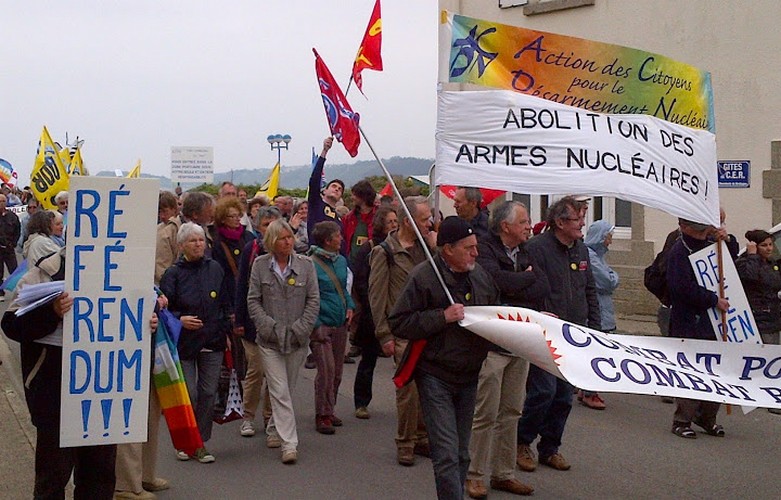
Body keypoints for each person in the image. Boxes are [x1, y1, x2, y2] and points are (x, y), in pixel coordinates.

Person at [1, 247, 158, 499]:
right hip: (55, 398)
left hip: (103, 396)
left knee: (99, 479)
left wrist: (147, 323)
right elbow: (11, 325)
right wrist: (51, 312)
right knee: (53, 479)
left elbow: (138, 318)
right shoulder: (46, 272)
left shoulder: (124, 271)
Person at [388, 216, 499, 500]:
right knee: (446, 453)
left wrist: (533, 321)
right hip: (436, 375)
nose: (476, 253)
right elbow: (399, 322)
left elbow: (497, 314)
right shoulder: (425, 276)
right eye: (468, 248)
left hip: (470, 375)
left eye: (476, 246)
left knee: (462, 453)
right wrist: (441, 317)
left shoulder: (480, 276)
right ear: (448, 249)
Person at [466, 201, 546, 498]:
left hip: (518, 343)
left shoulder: (526, 251)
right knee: (485, 413)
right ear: (505, 226)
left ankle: (503, 473)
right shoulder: (485, 249)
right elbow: (494, 283)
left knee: (512, 411)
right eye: (523, 221)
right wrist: (524, 279)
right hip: (492, 345)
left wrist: (518, 285)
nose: (529, 226)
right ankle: (474, 474)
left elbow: (542, 287)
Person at [516, 196, 601, 473]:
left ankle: (550, 447)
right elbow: (527, 291)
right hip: (545, 334)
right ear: (560, 222)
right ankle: (522, 441)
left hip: (574, 335)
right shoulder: (536, 249)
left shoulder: (581, 250)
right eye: (577, 219)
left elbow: (589, 290)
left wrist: (595, 328)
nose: (582, 224)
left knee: (564, 397)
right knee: (543, 392)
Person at [369, 196, 436, 466]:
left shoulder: (427, 249)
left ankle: (422, 436)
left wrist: (436, 248)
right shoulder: (385, 252)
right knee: (407, 390)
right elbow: (377, 296)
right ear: (408, 222)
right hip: (402, 332)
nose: (430, 223)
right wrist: (384, 334)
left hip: (428, 328)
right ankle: (405, 442)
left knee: (427, 388)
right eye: (424, 219)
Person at [247, 219, 320, 464]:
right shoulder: (260, 265)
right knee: (279, 390)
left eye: (290, 237)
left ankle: (273, 428)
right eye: (282, 238)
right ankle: (290, 444)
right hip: (269, 341)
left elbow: (313, 300)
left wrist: (301, 329)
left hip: (297, 339)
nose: (288, 242)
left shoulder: (306, 265)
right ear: (271, 242)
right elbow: (253, 300)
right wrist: (268, 327)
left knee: (286, 388)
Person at [160, 222, 230, 463]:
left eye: (201, 240)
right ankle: (185, 441)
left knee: (208, 392)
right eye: (192, 241)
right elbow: (163, 310)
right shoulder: (173, 274)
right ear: (181, 246)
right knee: (189, 393)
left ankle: (199, 442)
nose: (198, 244)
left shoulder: (215, 268)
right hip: (185, 343)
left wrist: (226, 331)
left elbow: (225, 302)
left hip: (212, 339)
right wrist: (180, 319)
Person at [667, 218, 731, 438]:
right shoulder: (679, 251)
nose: (703, 233)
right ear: (684, 227)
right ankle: (682, 420)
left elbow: (730, 265)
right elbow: (681, 288)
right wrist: (712, 300)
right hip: (689, 322)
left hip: (712, 322)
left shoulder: (711, 244)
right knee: (691, 370)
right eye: (699, 230)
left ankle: (707, 417)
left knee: (716, 369)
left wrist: (727, 240)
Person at [235, 206, 281, 439]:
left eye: (274, 224)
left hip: (279, 323)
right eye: (266, 225)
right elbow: (241, 285)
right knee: (257, 369)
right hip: (253, 322)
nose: (270, 229)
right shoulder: (250, 249)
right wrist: (239, 319)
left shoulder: (287, 252)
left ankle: (270, 417)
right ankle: (248, 416)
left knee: (276, 373)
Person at [308, 221, 355, 434]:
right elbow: (308, 295)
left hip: (340, 322)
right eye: (338, 236)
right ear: (327, 240)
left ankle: (330, 407)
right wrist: (315, 322)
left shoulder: (341, 261)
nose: (341, 239)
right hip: (321, 323)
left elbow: (343, 289)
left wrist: (350, 306)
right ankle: (322, 413)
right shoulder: (310, 264)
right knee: (326, 370)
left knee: (336, 371)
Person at [352, 206, 398, 420]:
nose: (394, 225)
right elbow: (361, 280)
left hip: (396, 311)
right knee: (368, 360)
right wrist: (373, 304)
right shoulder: (369, 248)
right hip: (373, 313)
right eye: (390, 222)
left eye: (395, 221)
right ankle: (361, 402)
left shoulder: (400, 246)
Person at [211, 197, 254, 380]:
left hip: (250, 292)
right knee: (235, 348)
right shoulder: (218, 242)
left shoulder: (248, 237)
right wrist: (228, 307)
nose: (237, 219)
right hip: (230, 293)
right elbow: (219, 275)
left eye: (238, 215)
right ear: (222, 219)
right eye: (232, 216)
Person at [579, 219, 620, 410]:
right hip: (597, 310)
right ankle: (590, 392)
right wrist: (613, 276)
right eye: (608, 237)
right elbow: (607, 281)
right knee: (595, 353)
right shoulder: (591, 256)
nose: (610, 241)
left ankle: (585, 389)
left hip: (603, 309)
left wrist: (611, 275)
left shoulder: (598, 256)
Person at [155, 191, 215, 284]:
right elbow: (162, 272)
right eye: (209, 211)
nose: (212, 215)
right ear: (195, 214)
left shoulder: (207, 230)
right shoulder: (168, 234)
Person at [307, 137, 344, 242]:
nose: (336, 189)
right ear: (324, 191)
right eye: (333, 186)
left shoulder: (338, 219)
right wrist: (324, 151)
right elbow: (314, 179)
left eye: (340, 189)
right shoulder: (316, 203)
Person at [342, 179, 377, 259]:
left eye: (354, 195)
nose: (352, 197)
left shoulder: (380, 216)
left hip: (373, 260)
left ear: (363, 196)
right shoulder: (349, 218)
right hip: (352, 261)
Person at [0, 193, 20, 301]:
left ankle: (18, 291)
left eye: (3, 201)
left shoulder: (12, 216)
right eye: (0, 201)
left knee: (14, 271)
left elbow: (18, 230)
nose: (2, 203)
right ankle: (0, 292)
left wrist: (14, 243)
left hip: (9, 248)